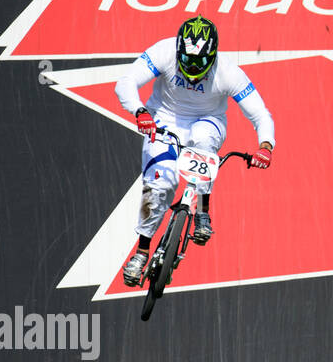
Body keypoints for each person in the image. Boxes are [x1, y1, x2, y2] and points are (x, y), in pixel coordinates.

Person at [114, 16, 275, 284]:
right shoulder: (164, 51)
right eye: (186, 62)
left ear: (212, 56)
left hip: (208, 120)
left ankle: (202, 209)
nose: (192, 70)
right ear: (178, 50)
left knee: (202, 139)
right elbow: (126, 82)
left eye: (200, 64)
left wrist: (266, 146)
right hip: (162, 118)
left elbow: (260, 114)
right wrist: (140, 111)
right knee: (159, 185)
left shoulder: (229, 72)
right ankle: (142, 250)